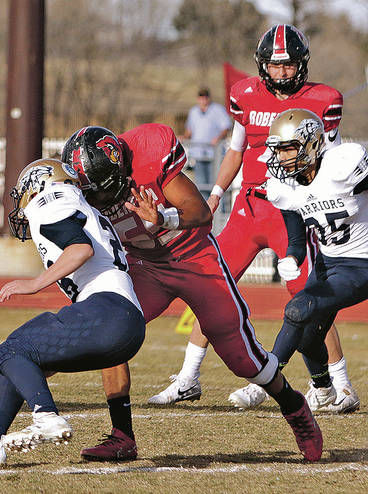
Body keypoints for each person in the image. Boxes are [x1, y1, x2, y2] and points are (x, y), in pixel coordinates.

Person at [61, 125, 322, 462]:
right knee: (110, 325)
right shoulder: (85, 182)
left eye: (100, 191)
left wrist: (164, 216)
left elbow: (201, 212)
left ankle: (294, 406)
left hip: (194, 259)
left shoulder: (150, 154)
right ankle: (122, 436)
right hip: (145, 264)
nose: (96, 199)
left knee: (243, 360)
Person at [157, 24, 358, 414]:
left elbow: (329, 162)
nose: (281, 72)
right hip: (248, 209)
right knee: (209, 287)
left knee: (311, 299)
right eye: (274, 65)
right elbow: (234, 150)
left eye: (288, 65)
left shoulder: (323, 99)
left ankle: (341, 384)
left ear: (301, 65)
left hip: (293, 213)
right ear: (262, 65)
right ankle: (186, 379)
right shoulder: (245, 94)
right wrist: (215, 195)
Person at [0, 159, 146, 468]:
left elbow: (81, 249)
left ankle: (46, 416)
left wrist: (35, 283)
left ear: (37, 185)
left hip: (106, 310)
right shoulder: (82, 206)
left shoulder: (49, 203)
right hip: (124, 320)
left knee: (10, 350)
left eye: (23, 192)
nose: (22, 201)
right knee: (18, 354)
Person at [241, 110, 368, 413]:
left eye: (288, 148)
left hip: (361, 264)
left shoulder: (342, 166)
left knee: (297, 309)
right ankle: (323, 388)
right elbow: (297, 240)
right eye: (279, 150)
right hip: (327, 264)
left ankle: (264, 380)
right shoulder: (289, 188)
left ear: (311, 144)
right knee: (309, 338)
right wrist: (290, 258)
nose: (282, 158)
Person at [183, 87, 232, 192]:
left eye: (205, 97)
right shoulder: (194, 111)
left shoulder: (218, 110)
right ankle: (205, 207)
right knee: (201, 185)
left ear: (209, 98)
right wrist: (183, 138)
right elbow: (189, 130)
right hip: (198, 153)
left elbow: (226, 127)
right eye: (201, 97)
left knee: (216, 184)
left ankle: (218, 208)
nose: (203, 100)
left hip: (214, 154)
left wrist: (217, 139)